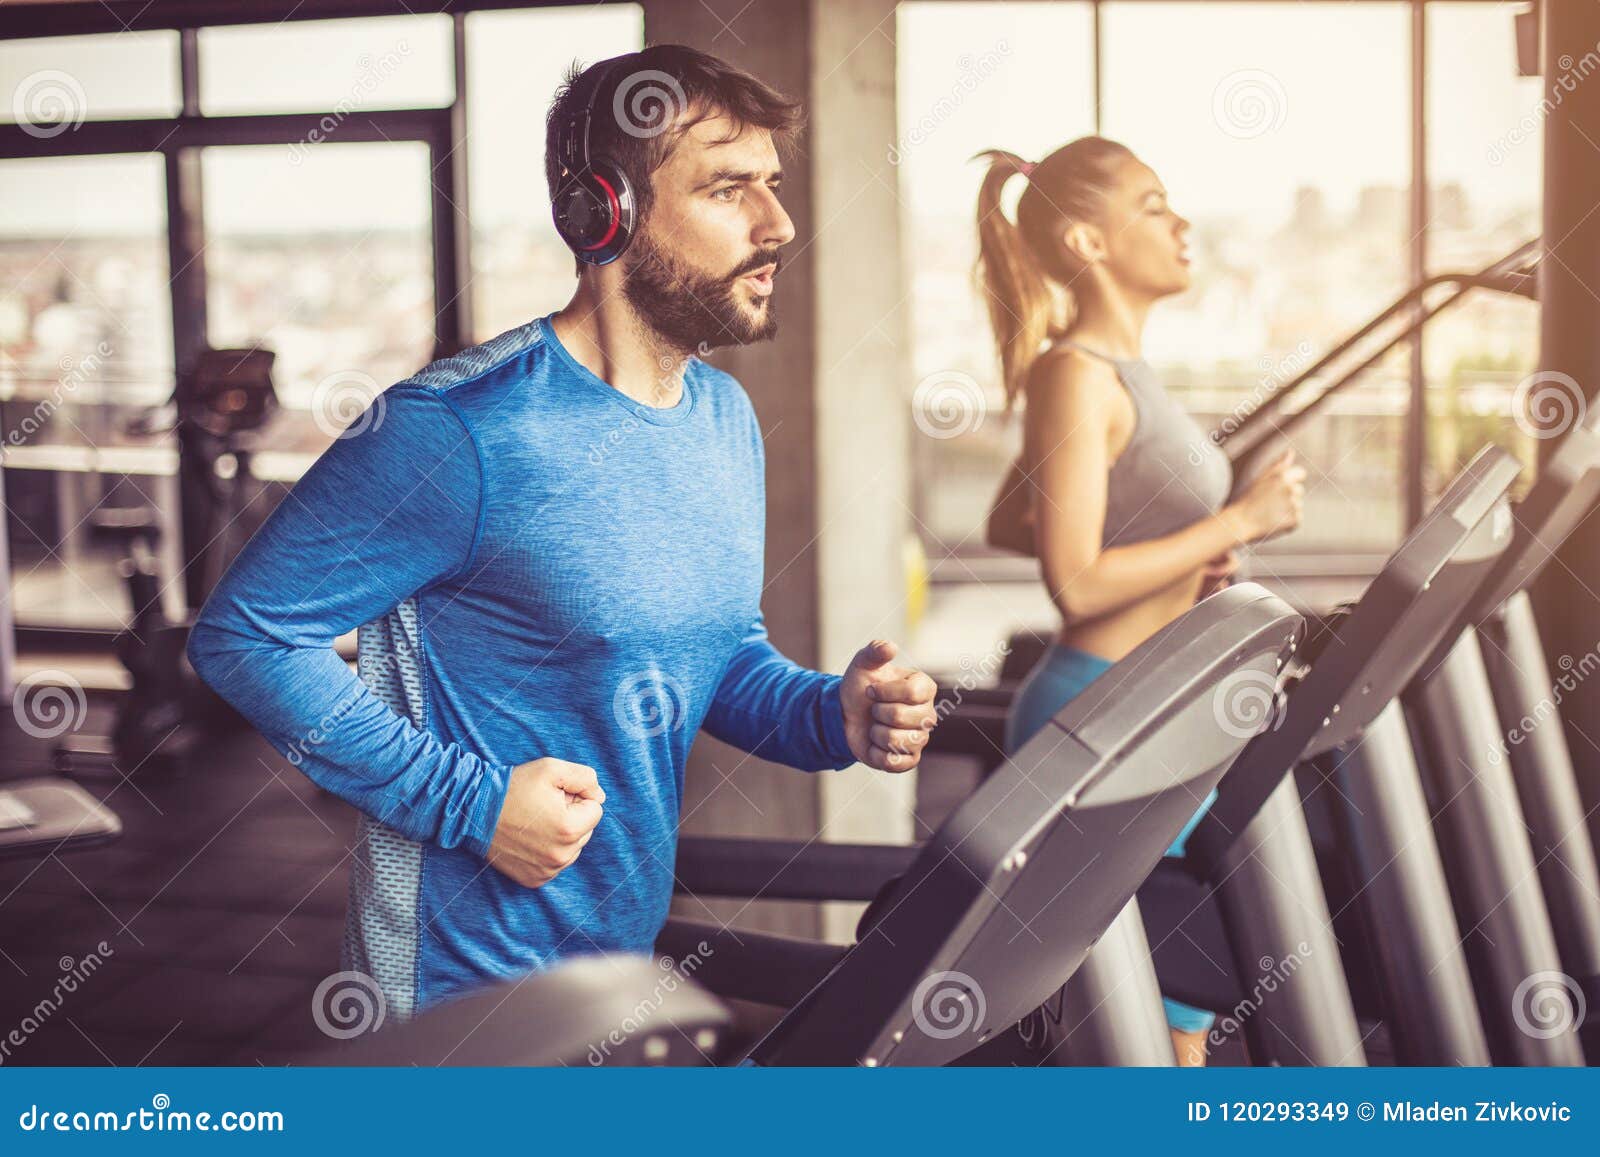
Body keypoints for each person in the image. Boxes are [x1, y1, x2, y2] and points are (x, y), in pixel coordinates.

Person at [187, 44, 940, 1022]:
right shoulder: (455, 429)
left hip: (608, 980)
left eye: (773, 186)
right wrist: (473, 803)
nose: (778, 224)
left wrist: (827, 713)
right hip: (452, 998)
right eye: (727, 189)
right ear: (602, 210)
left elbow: (715, 654)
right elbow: (244, 635)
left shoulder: (720, 417)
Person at [973, 137, 1305, 1066]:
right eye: (1154, 204)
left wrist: (1181, 563)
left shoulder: (1113, 371)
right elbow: (1072, 579)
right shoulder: (1074, 372)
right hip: (1098, 708)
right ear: (1086, 241)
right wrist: (1234, 518)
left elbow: (1015, 520)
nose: (1182, 221)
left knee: (1176, 1005)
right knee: (1154, 1009)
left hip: (1151, 703)